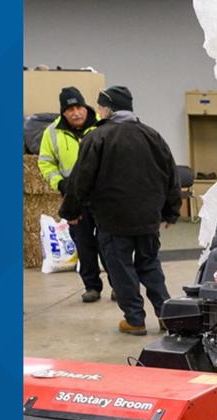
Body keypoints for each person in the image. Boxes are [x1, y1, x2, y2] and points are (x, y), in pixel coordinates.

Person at [60, 85, 181, 336]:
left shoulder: (97, 138)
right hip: (148, 219)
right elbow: (172, 175)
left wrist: (71, 211)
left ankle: (135, 320)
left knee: (121, 267)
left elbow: (80, 180)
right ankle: (166, 316)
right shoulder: (153, 136)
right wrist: (171, 210)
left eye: (101, 105)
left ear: (107, 108)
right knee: (150, 264)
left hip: (114, 220)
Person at [38, 87, 107, 303]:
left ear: (85, 107)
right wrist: (60, 183)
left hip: (102, 196)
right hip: (74, 197)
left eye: (78, 107)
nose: (75, 113)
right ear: (63, 112)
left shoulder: (102, 126)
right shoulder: (51, 133)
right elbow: (45, 162)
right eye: (69, 109)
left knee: (109, 243)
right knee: (83, 244)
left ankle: (118, 285)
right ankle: (92, 287)